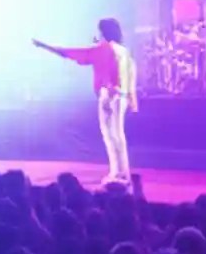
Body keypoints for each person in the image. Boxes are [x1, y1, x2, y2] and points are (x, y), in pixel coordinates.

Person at [33, 18, 138, 186]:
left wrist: (44, 46)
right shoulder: (124, 51)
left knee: (110, 135)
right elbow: (131, 72)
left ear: (103, 32)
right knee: (118, 134)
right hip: (122, 95)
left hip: (109, 94)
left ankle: (117, 173)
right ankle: (122, 173)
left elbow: (71, 53)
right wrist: (132, 98)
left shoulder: (103, 48)